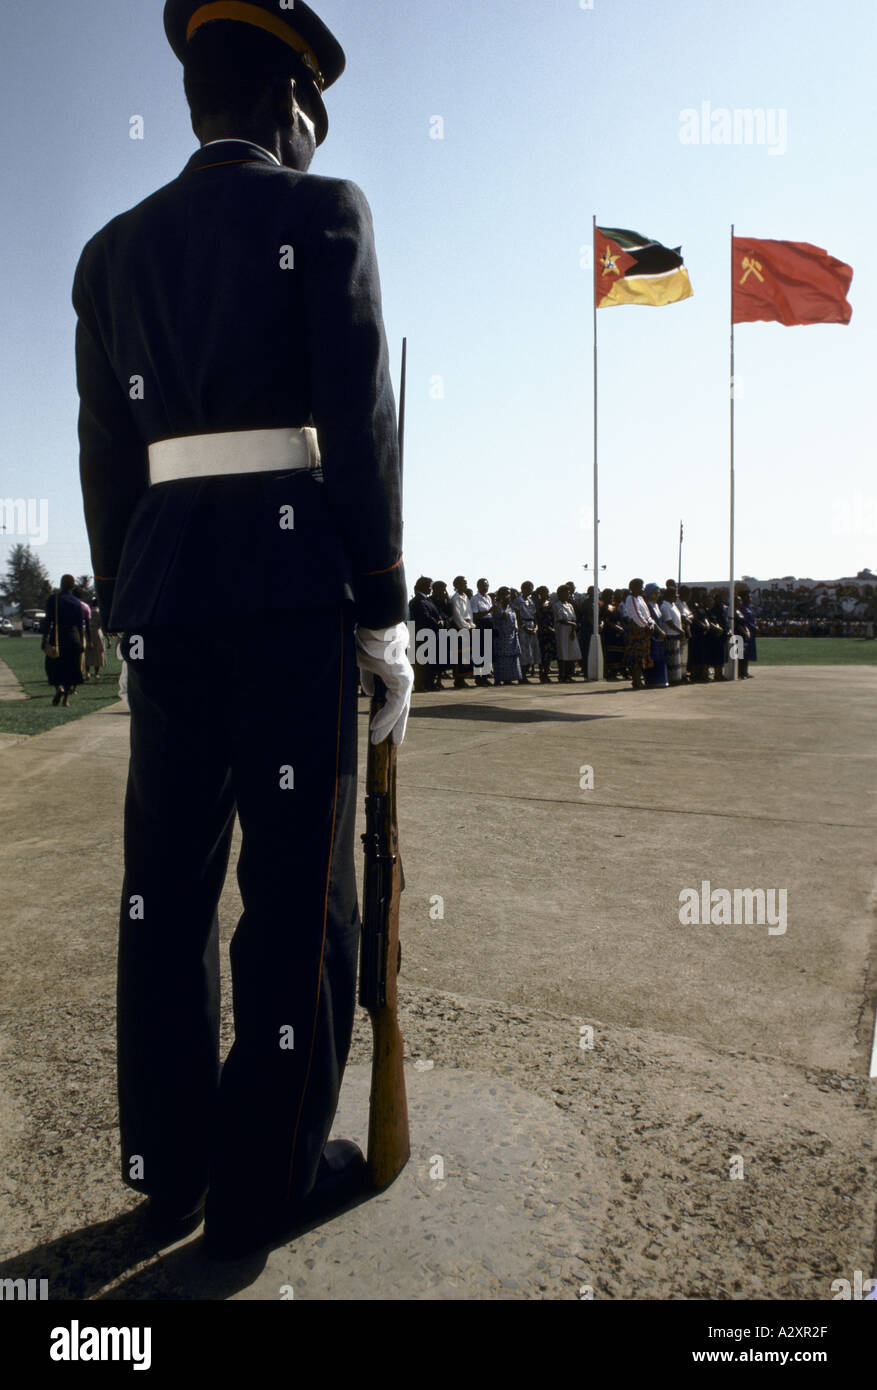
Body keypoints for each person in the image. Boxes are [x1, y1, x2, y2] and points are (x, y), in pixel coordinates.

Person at [73, 0, 413, 1260]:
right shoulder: (325, 216)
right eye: (312, 108)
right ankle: (264, 1175)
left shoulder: (110, 255)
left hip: (165, 598)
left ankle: (167, 1166)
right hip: (289, 604)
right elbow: (359, 428)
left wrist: (129, 605)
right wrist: (382, 615)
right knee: (294, 896)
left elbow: (107, 463)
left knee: (162, 888)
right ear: (287, 102)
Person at [41, 574, 89, 707]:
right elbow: (80, 625)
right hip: (73, 638)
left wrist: (44, 639)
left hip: (57, 637)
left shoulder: (53, 599)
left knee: (52, 666)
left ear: (61, 584)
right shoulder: (77, 603)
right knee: (71, 669)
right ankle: (66, 699)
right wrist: (81, 642)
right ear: (72, 586)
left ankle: (58, 688)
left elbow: (47, 621)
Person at [409, 576, 442, 691]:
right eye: (429, 586)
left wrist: (441, 620)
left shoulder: (428, 600)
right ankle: (420, 684)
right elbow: (425, 617)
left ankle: (429, 683)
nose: (431, 589)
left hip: (432, 634)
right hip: (422, 636)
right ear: (422, 586)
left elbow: (436, 614)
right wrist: (437, 623)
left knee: (430, 662)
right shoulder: (417, 601)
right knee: (421, 663)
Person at [622, 579, 654, 690]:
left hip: (644, 629)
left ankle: (639, 680)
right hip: (636, 630)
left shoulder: (640, 599)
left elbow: (647, 614)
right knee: (635, 657)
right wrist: (646, 625)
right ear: (634, 588)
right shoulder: (630, 599)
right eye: (641, 586)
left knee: (642, 657)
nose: (643, 589)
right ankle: (636, 681)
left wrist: (651, 623)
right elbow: (636, 615)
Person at [490, 588, 522, 685]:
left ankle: (509, 678)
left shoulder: (511, 606)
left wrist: (516, 626)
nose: (509, 596)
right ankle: (499, 678)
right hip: (501, 635)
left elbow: (514, 617)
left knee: (511, 657)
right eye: (507, 594)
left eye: (509, 594)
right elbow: (501, 616)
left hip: (511, 635)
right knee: (501, 658)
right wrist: (506, 607)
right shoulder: (497, 606)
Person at [450, 575, 476, 688]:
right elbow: (457, 616)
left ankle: (463, 677)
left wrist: (471, 625)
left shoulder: (465, 597)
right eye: (463, 583)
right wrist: (466, 627)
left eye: (466, 583)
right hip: (459, 629)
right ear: (457, 585)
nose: (466, 585)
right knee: (459, 655)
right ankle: (458, 679)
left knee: (466, 655)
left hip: (468, 627)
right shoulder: (455, 598)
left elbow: (469, 614)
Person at [510, 582, 539, 682]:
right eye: (527, 588)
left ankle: (526, 674)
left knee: (531, 652)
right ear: (522, 589)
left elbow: (535, 616)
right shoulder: (518, 601)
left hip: (531, 626)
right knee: (523, 652)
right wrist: (524, 627)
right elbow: (516, 616)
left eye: (531, 588)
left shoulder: (531, 601)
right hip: (523, 627)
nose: (529, 590)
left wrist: (535, 627)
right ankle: (522, 676)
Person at [553, 584, 581, 681]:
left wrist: (573, 630)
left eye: (568, 593)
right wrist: (572, 624)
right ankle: (562, 675)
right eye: (566, 593)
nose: (568, 595)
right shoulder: (557, 605)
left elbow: (573, 618)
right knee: (563, 652)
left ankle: (569, 675)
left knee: (571, 652)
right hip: (562, 631)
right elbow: (561, 619)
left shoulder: (569, 605)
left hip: (570, 631)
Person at [643, 585, 668, 688]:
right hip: (652, 636)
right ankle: (652, 681)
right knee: (652, 658)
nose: (657, 595)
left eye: (658, 593)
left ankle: (661, 680)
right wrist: (659, 631)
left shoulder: (657, 605)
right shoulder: (647, 606)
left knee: (660, 659)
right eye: (655, 593)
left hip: (660, 637)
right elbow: (651, 620)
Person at [660, 582, 685, 686]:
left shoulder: (673, 605)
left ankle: (676, 678)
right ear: (669, 595)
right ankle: (671, 679)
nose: (676, 597)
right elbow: (669, 622)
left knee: (676, 660)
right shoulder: (665, 606)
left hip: (676, 635)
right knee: (671, 659)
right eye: (675, 595)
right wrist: (680, 631)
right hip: (670, 635)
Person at [534, 585, 556, 682]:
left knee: (549, 654)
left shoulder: (550, 604)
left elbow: (553, 617)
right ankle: (541, 674)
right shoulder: (537, 604)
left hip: (550, 631)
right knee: (542, 654)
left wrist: (553, 628)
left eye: (547, 592)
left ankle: (546, 673)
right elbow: (537, 617)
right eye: (545, 592)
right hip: (541, 632)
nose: (547, 594)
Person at [737, 586, 758, 678]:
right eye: (748, 597)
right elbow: (745, 622)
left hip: (750, 634)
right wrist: (753, 627)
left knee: (747, 653)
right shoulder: (741, 608)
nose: (750, 598)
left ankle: (745, 671)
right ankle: (740, 672)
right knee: (740, 654)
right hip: (743, 632)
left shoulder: (749, 607)